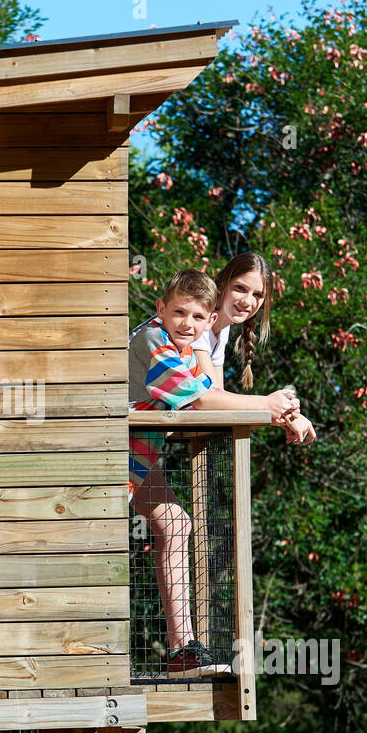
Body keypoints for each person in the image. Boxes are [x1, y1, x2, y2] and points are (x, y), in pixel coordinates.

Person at [128, 269, 227, 678]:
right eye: (179, 312)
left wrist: (284, 414)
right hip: (97, 453)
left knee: (174, 523)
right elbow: (201, 401)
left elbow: (213, 394)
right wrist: (276, 407)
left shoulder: (184, 351)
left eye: (198, 317)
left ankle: (180, 651)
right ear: (161, 310)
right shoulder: (153, 339)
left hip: (133, 458)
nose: (187, 323)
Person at [191, 251, 316, 444]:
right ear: (222, 283)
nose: (247, 302)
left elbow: (219, 402)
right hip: (131, 424)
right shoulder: (195, 321)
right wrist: (267, 404)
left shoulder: (221, 330)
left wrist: (284, 414)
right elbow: (207, 400)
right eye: (240, 288)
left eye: (258, 295)